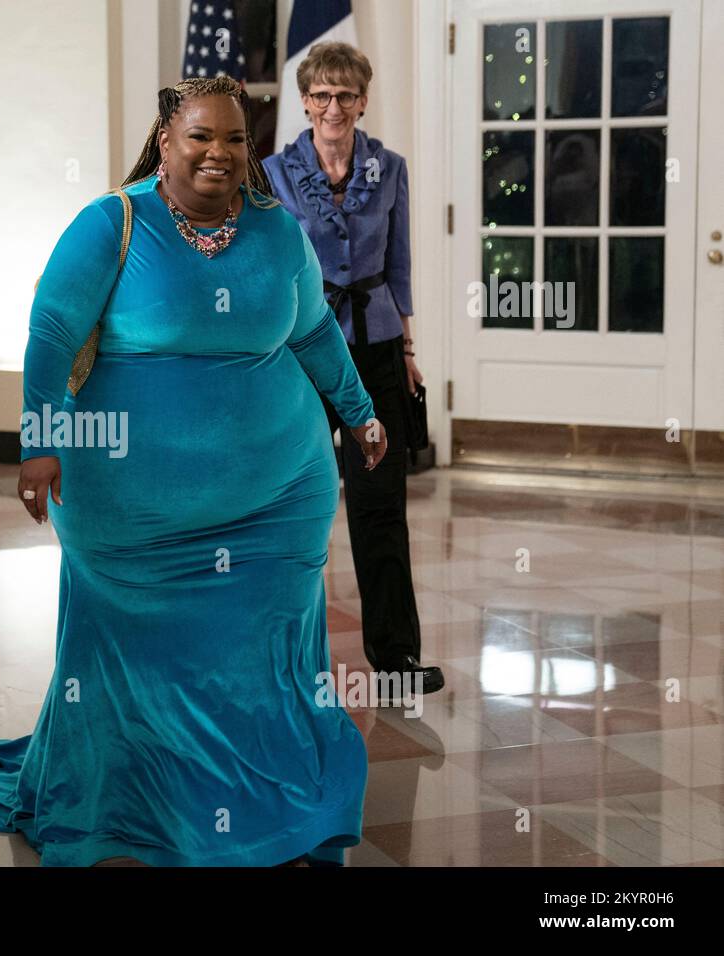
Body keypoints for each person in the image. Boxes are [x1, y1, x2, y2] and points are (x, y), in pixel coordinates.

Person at [0, 76, 385, 866]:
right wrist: (40, 440)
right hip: (134, 509)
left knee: (264, 648)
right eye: (201, 136)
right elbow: (50, 332)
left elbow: (313, 332)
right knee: (152, 658)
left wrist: (360, 410)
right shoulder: (114, 224)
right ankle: (151, 803)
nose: (219, 153)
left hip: (277, 496)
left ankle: (273, 802)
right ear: (166, 140)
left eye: (234, 139)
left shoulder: (276, 231)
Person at [262, 42, 443, 697]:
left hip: (375, 350)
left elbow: (399, 265)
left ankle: (396, 662)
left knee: (380, 507)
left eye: (345, 95)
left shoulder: (389, 169)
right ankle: (284, 663)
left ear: (363, 101)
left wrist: (408, 351)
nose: (333, 107)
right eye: (321, 95)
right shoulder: (274, 174)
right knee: (294, 508)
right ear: (305, 100)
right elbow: (266, 266)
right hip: (305, 354)